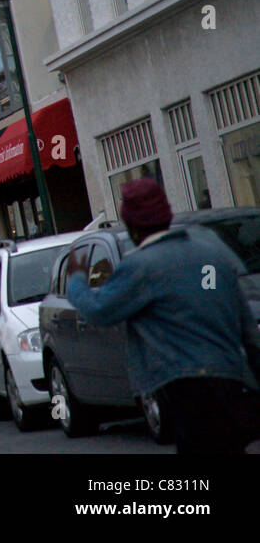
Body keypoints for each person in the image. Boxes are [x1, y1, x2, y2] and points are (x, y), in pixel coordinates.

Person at [66, 177, 260, 454]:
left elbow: (99, 311)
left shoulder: (141, 266)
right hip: (230, 377)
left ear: (132, 226)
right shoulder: (214, 256)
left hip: (187, 386)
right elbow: (247, 329)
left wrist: (76, 281)